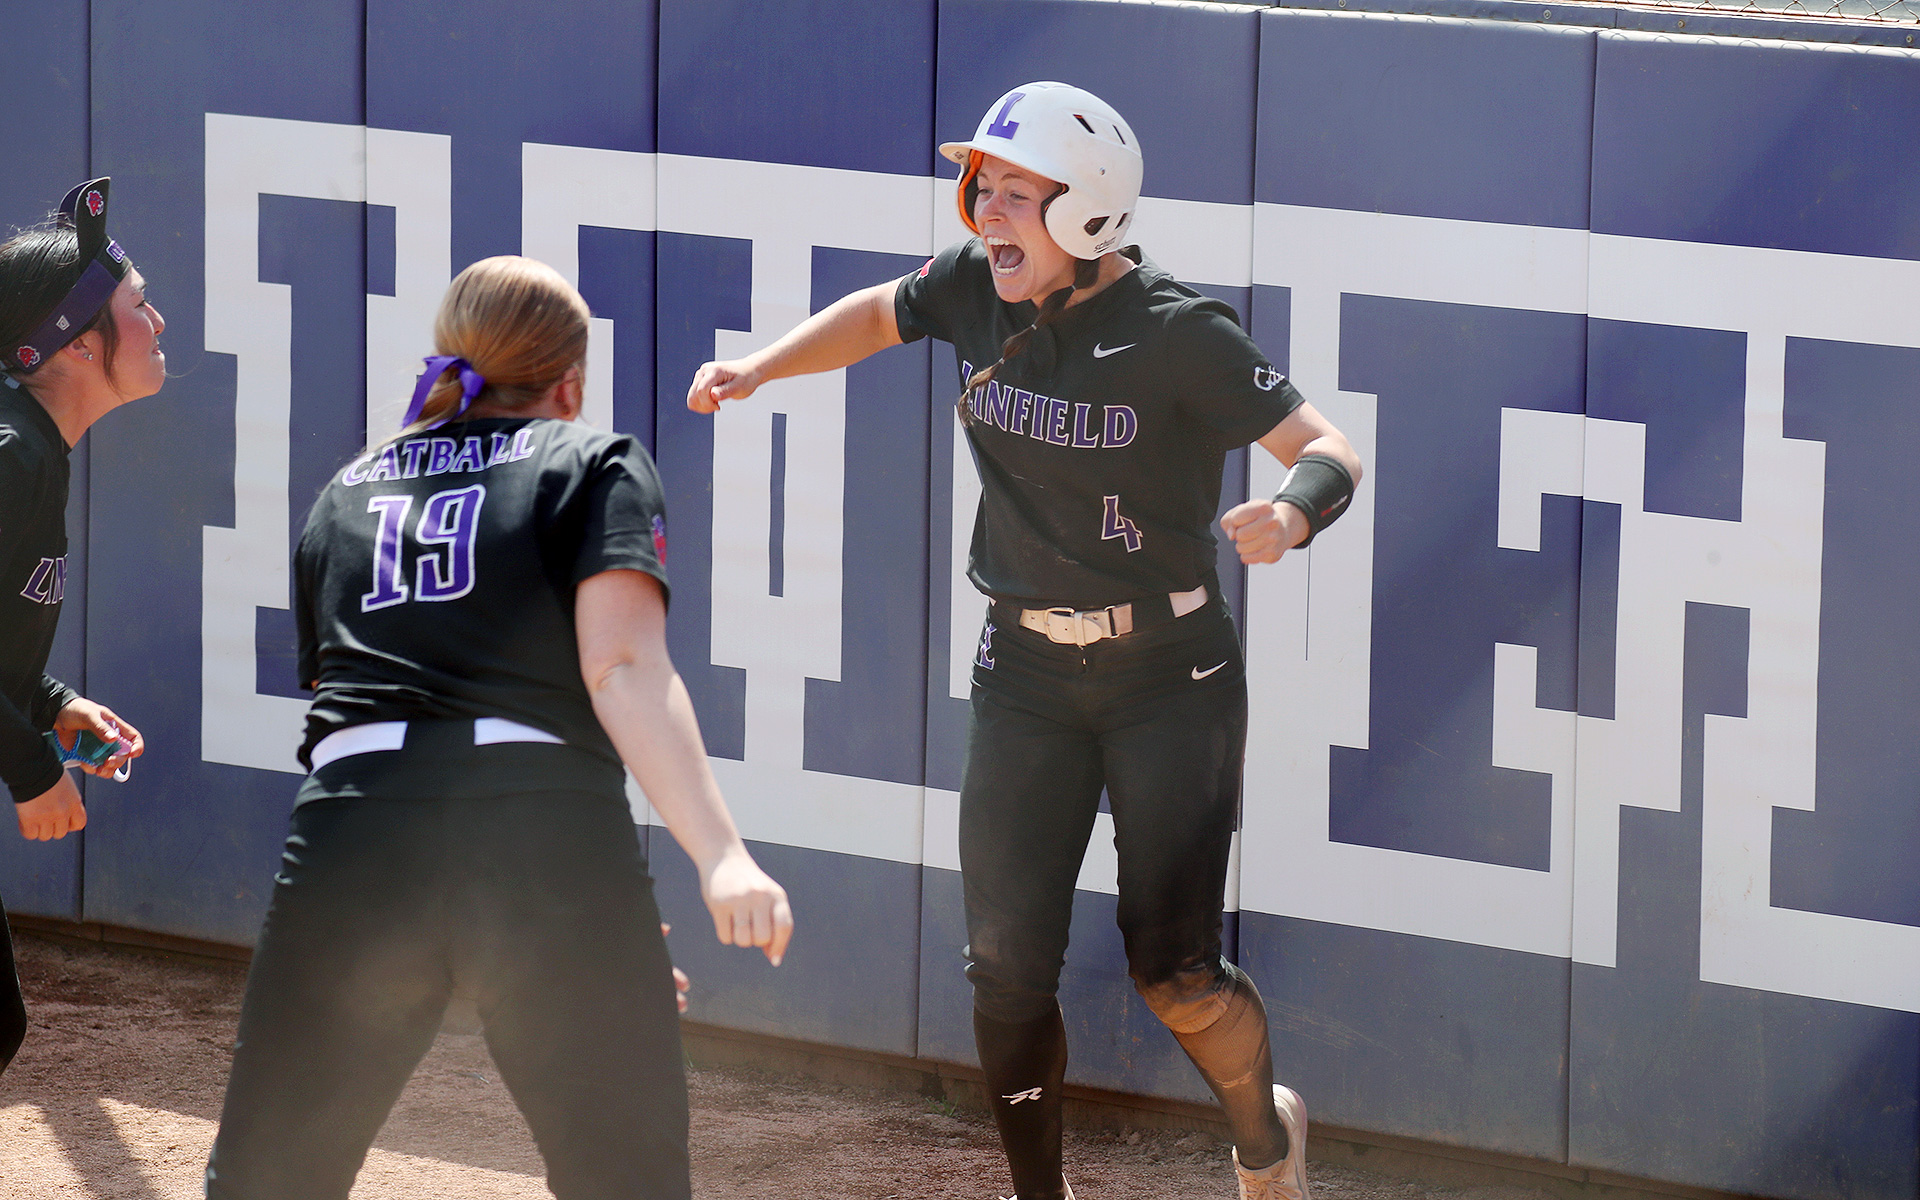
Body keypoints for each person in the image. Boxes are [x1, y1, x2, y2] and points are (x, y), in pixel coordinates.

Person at [686, 82, 1362, 1200]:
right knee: (1002, 970)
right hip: (1027, 672)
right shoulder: (975, 291)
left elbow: (1326, 441)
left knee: (1177, 973)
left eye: (1014, 195)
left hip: (1171, 676)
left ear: (1089, 211)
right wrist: (762, 366)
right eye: (980, 189)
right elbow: (878, 313)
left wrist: (1291, 511)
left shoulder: (1177, 331)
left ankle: (1261, 1131)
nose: (984, 214)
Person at [205, 255, 792, 1200]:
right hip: (541, 835)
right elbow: (621, 666)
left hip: (354, 834)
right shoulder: (589, 458)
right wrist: (716, 855)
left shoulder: (347, 489)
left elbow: (341, 694)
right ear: (569, 381)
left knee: (266, 1184)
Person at [0, 178, 153, 1075]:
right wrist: (30, 765)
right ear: (82, 344)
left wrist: (51, 703)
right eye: (141, 307)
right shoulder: (13, 453)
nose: (159, 324)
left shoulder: (31, 447)